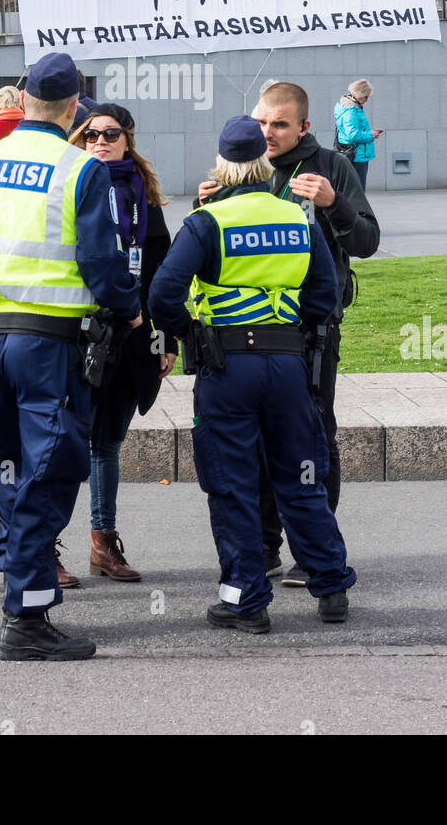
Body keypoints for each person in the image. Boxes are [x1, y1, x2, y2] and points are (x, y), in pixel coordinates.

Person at [0, 51, 141, 660]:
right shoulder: (80, 170)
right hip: (51, 346)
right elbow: (102, 264)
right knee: (49, 472)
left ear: (21, 101)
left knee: (14, 467)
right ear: (75, 106)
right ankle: (25, 618)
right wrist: (128, 306)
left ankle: (24, 591)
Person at [149, 115, 357, 633]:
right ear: (265, 164)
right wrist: (296, 333)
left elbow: (162, 293)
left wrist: (187, 332)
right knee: (302, 476)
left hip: (227, 368)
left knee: (233, 484)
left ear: (222, 165)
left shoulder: (207, 221)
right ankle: (331, 587)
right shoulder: (296, 217)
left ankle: (246, 601)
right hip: (287, 366)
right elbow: (324, 295)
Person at [199, 81, 379, 584]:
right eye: (260, 122)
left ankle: (314, 552)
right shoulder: (243, 170)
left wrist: (333, 203)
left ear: (303, 126)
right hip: (248, 330)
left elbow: (367, 240)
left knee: (316, 434)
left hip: (313, 328)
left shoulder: (329, 166)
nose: (267, 132)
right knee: (252, 441)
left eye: (279, 124)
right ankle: (262, 546)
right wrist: (203, 206)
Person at [65, 104, 175, 585]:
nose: (101, 142)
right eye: (91, 135)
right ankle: (43, 547)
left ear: (128, 140)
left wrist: (164, 335)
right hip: (76, 334)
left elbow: (162, 275)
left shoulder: (143, 195)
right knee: (61, 444)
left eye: (111, 134)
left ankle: (102, 542)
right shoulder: (66, 186)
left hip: (131, 334)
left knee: (106, 443)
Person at [333, 79, 384, 190]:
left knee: (352, 190)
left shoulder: (348, 107)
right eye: (365, 96)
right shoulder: (350, 111)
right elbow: (352, 135)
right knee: (357, 191)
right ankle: (358, 208)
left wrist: (370, 132)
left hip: (354, 154)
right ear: (358, 94)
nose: (367, 99)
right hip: (356, 156)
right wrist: (371, 135)